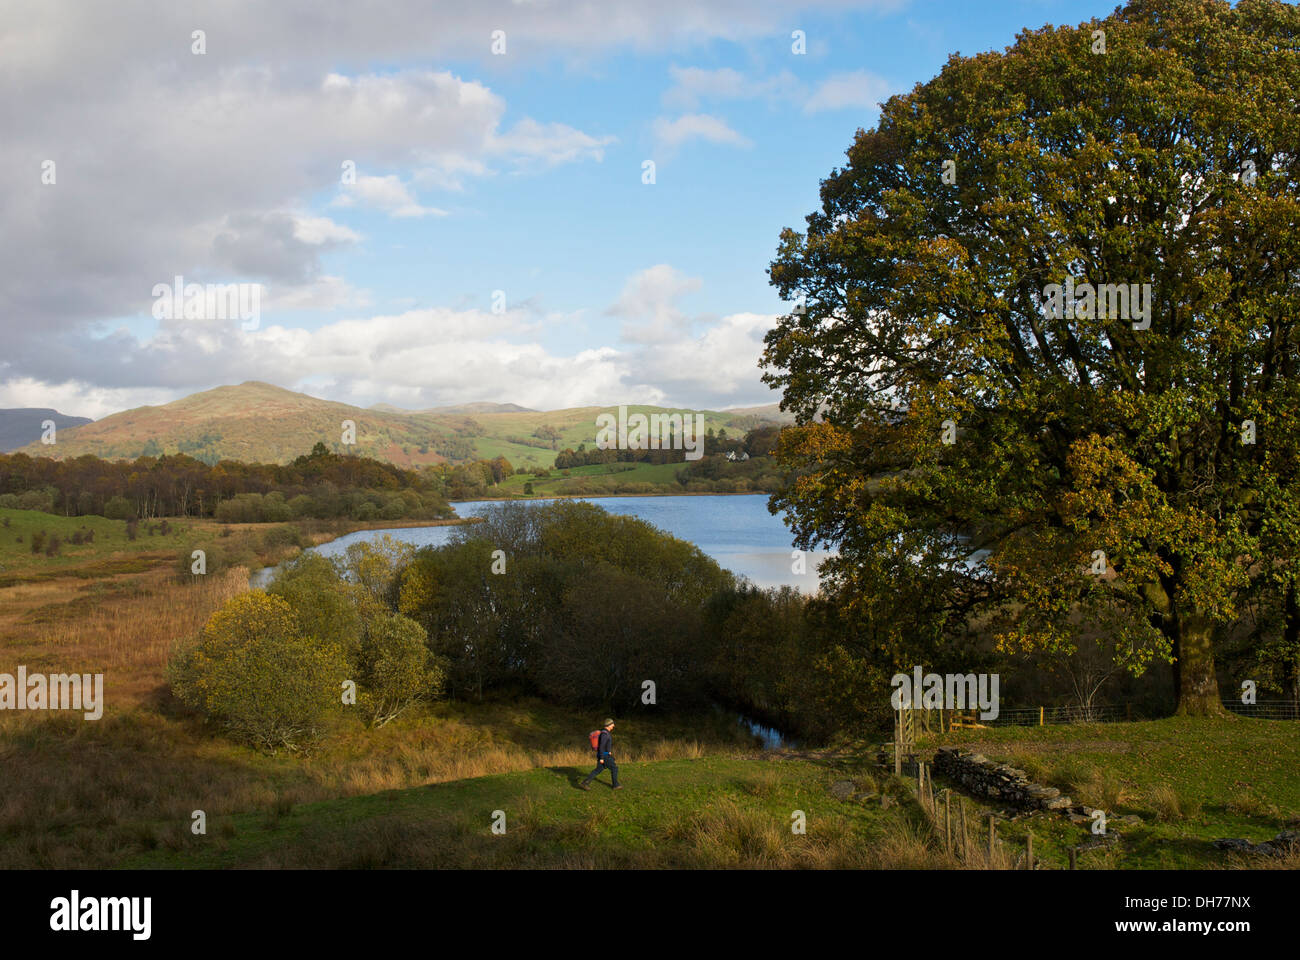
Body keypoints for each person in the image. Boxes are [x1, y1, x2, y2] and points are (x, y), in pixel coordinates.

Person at [578, 718, 621, 790]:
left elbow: (605, 745)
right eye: (612, 724)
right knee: (614, 768)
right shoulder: (605, 734)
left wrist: (609, 751)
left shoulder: (605, 733)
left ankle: (585, 783)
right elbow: (601, 746)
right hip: (604, 755)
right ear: (609, 725)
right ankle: (615, 785)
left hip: (604, 754)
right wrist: (601, 758)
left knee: (598, 769)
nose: (614, 725)